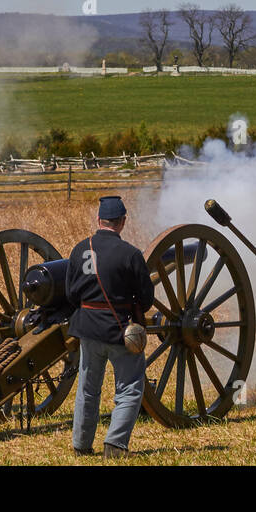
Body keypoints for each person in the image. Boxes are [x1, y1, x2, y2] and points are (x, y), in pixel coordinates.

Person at [65, 195, 154, 458]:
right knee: (129, 387)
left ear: (98, 220)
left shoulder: (81, 249)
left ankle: (81, 445)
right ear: (122, 222)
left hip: (87, 330)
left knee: (87, 389)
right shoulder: (131, 254)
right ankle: (115, 445)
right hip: (119, 331)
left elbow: (71, 293)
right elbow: (146, 299)